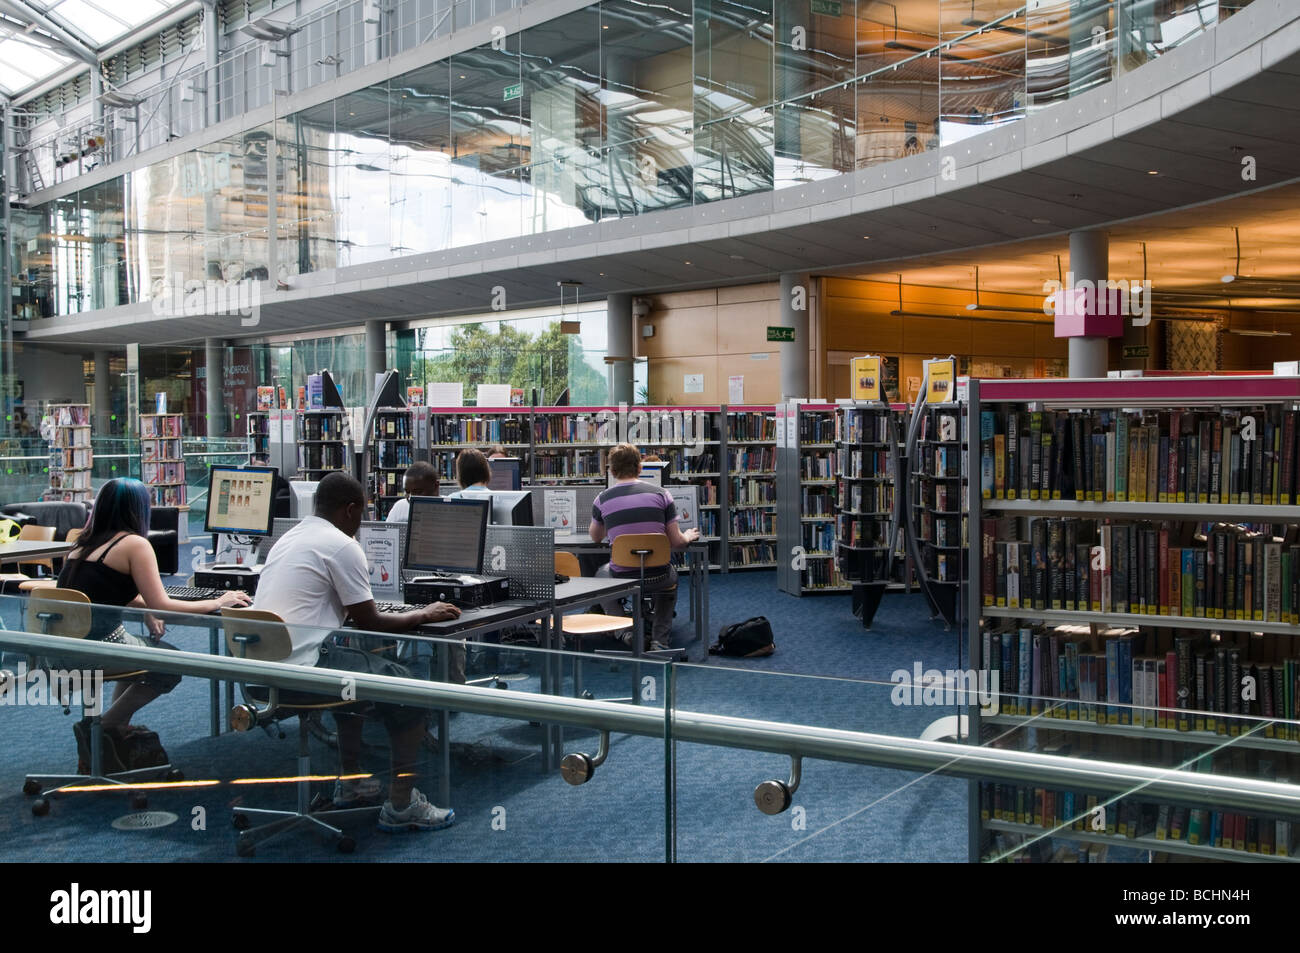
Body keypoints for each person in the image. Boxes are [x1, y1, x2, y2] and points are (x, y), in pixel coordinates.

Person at [252, 472, 461, 833]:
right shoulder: (340, 544)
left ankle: (349, 783)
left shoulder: (289, 539)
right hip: (302, 673)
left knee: (355, 686)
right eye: (362, 515)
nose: (362, 525)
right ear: (349, 510)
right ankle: (401, 803)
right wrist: (424, 614)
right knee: (410, 689)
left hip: (258, 673)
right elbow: (370, 623)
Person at [56, 478, 252, 771]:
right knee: (170, 664)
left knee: (134, 643)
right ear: (139, 510)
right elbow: (165, 606)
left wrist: (146, 607)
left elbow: (100, 591)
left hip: (58, 648)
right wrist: (218, 601)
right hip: (97, 649)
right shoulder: (134, 544)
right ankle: (105, 726)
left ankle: (109, 735)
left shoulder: (82, 544)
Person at [589, 443, 699, 650]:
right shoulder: (662, 495)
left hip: (623, 576)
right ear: (640, 467)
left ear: (611, 471)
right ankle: (660, 640)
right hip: (658, 575)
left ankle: (625, 632)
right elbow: (676, 543)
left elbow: (595, 537)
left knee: (600, 577)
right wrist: (687, 536)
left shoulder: (602, 499)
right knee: (670, 579)